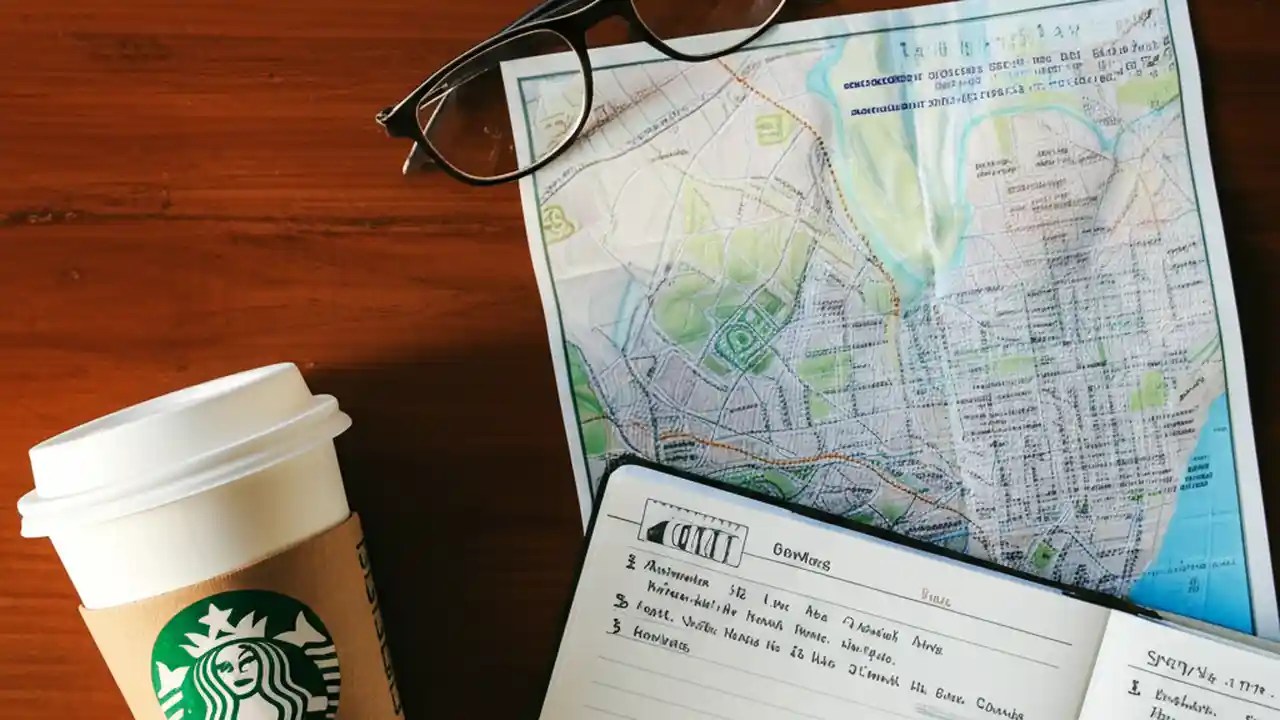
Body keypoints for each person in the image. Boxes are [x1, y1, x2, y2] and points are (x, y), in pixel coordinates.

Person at [191, 639, 324, 720]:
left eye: (247, 660)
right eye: (225, 668)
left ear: (265, 661)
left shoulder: (311, 704)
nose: (238, 671)